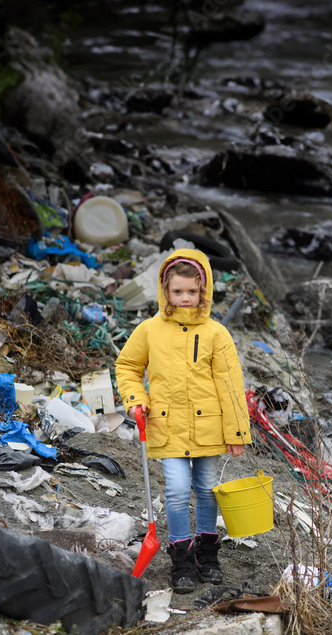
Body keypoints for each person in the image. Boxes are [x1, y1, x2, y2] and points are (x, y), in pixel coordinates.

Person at [115, 248, 251, 592]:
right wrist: (136, 401)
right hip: (167, 426)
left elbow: (231, 386)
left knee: (206, 491)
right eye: (178, 292)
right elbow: (128, 367)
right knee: (176, 491)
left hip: (209, 428)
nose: (186, 298)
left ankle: (209, 556)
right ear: (165, 291)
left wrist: (237, 432)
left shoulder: (217, 334)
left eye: (192, 292)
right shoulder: (149, 330)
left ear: (203, 291)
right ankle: (182, 561)